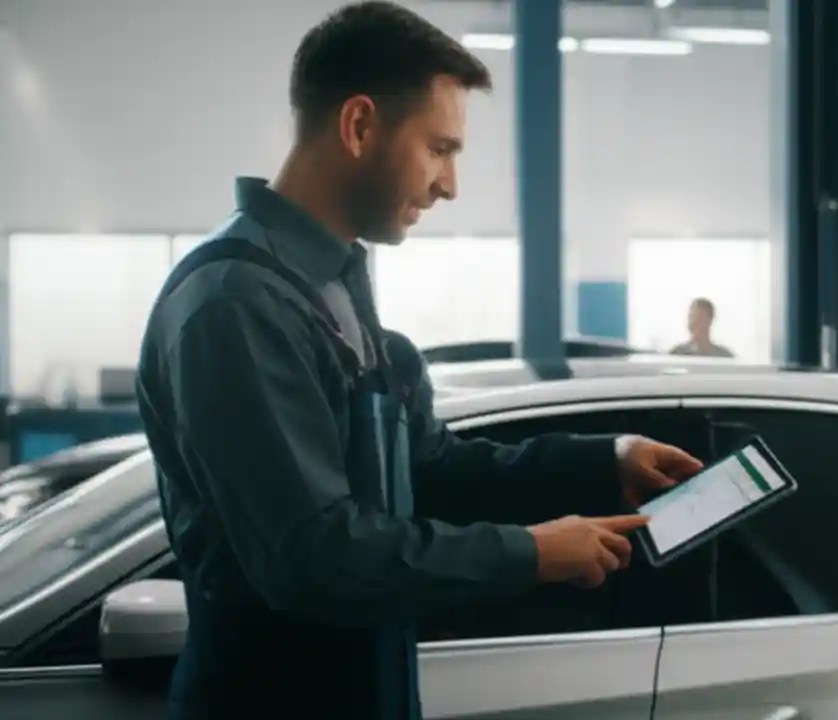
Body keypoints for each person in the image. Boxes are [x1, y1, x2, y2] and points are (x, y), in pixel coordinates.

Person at [135, 4, 703, 719]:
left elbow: (425, 471)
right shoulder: (235, 307)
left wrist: (601, 461)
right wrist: (531, 554)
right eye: (440, 148)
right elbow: (315, 556)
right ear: (360, 125)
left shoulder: (328, 284)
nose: (449, 185)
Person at [670, 297, 734, 358]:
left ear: (709, 321)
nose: (692, 323)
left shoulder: (724, 357)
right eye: (691, 317)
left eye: (698, 318)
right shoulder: (676, 355)